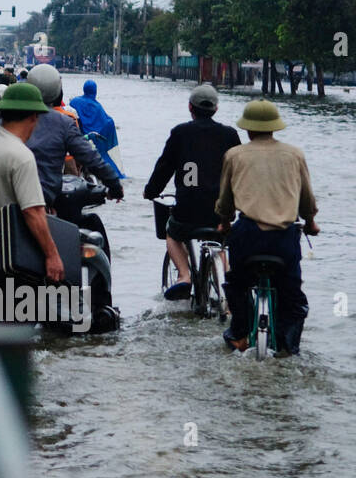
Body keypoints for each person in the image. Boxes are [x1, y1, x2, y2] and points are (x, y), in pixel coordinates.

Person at [215, 100, 318, 356]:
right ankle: (286, 346)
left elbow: (226, 201)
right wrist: (311, 222)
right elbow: (306, 200)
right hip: (284, 239)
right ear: (275, 128)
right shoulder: (295, 155)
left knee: (237, 285)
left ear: (248, 130)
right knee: (293, 298)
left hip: (247, 236)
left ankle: (239, 335)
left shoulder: (234, 155)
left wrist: (225, 223)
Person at [141, 84, 241, 299]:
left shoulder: (180, 133)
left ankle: (184, 276)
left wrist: (150, 191)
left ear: (190, 108)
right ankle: (228, 282)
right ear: (215, 109)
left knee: (172, 233)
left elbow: (164, 167)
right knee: (221, 243)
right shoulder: (230, 135)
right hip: (220, 211)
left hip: (187, 209)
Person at [0, 82, 65, 289]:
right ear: (33, 117)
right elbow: (33, 212)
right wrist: (52, 255)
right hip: (4, 258)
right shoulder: (21, 156)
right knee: (11, 319)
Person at [25, 64, 123, 207]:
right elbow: (91, 155)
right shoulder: (65, 121)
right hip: (48, 196)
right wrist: (114, 184)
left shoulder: (11, 118)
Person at [70, 79, 124, 180]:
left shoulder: (75, 102)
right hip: (94, 140)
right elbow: (107, 122)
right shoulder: (98, 107)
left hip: (79, 139)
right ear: (95, 91)